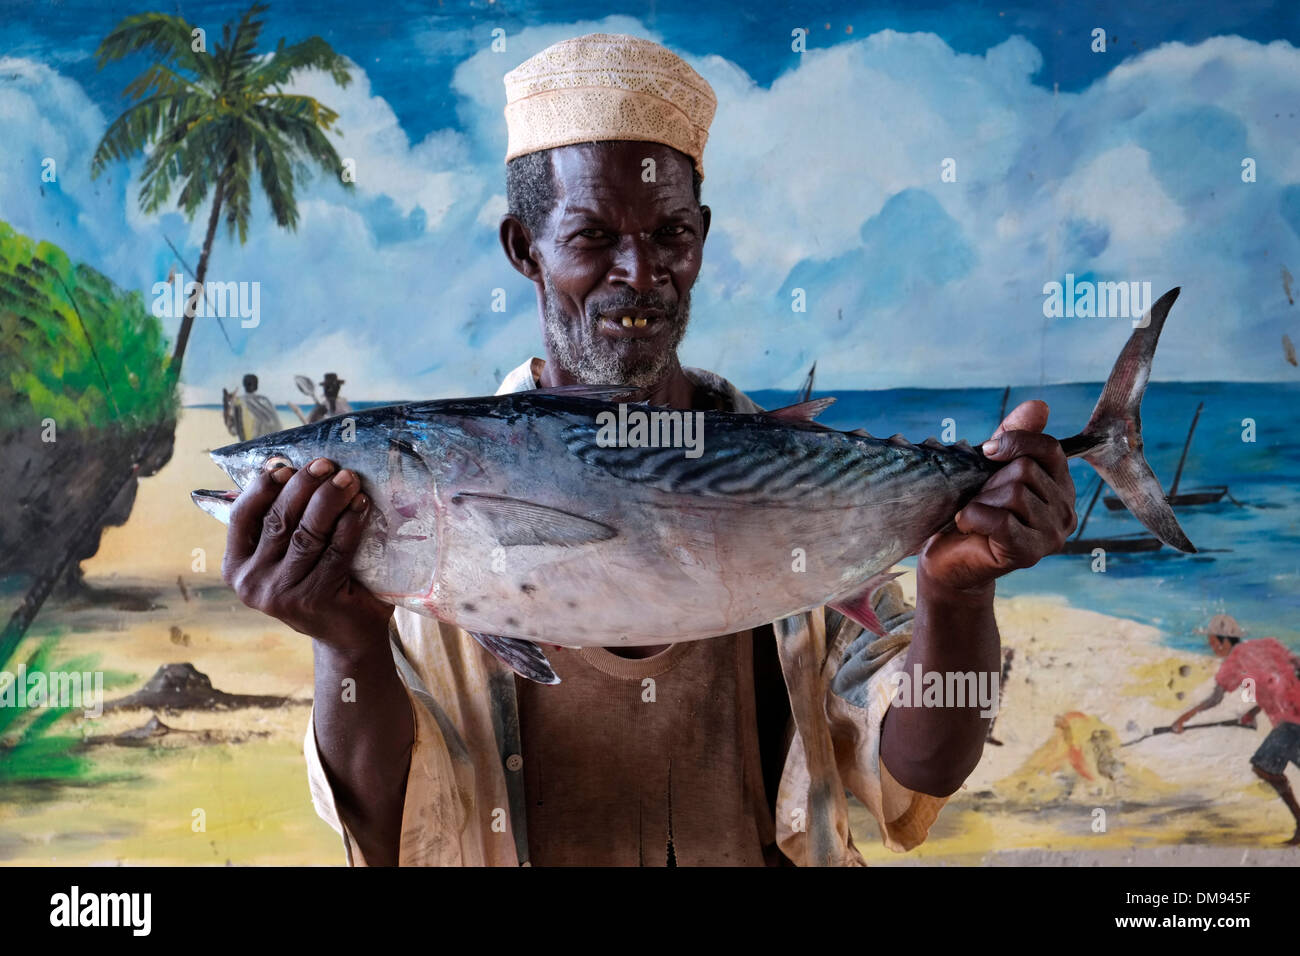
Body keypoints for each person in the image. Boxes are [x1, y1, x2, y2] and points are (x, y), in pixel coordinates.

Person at [219, 34, 1077, 866]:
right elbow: (384, 832)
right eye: (592, 237)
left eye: (669, 234)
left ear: (699, 238)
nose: (639, 271)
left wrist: (955, 593)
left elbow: (918, 770)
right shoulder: (424, 512)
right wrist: (346, 647)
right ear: (525, 249)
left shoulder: (805, 496)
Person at [1173, 613, 1300, 845]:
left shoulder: (1232, 663)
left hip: (1291, 723)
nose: (1212, 648)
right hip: (1293, 716)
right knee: (1267, 766)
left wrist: (1184, 717)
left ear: (1223, 641)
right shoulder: (1269, 644)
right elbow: (1283, 675)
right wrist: (1254, 711)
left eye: (1212, 643)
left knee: (1264, 767)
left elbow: (1215, 699)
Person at [223, 373, 282, 440]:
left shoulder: (238, 402)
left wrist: (226, 405)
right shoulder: (265, 400)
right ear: (257, 386)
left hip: (249, 447)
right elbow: (277, 427)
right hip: (269, 444)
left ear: (244, 386)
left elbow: (233, 431)